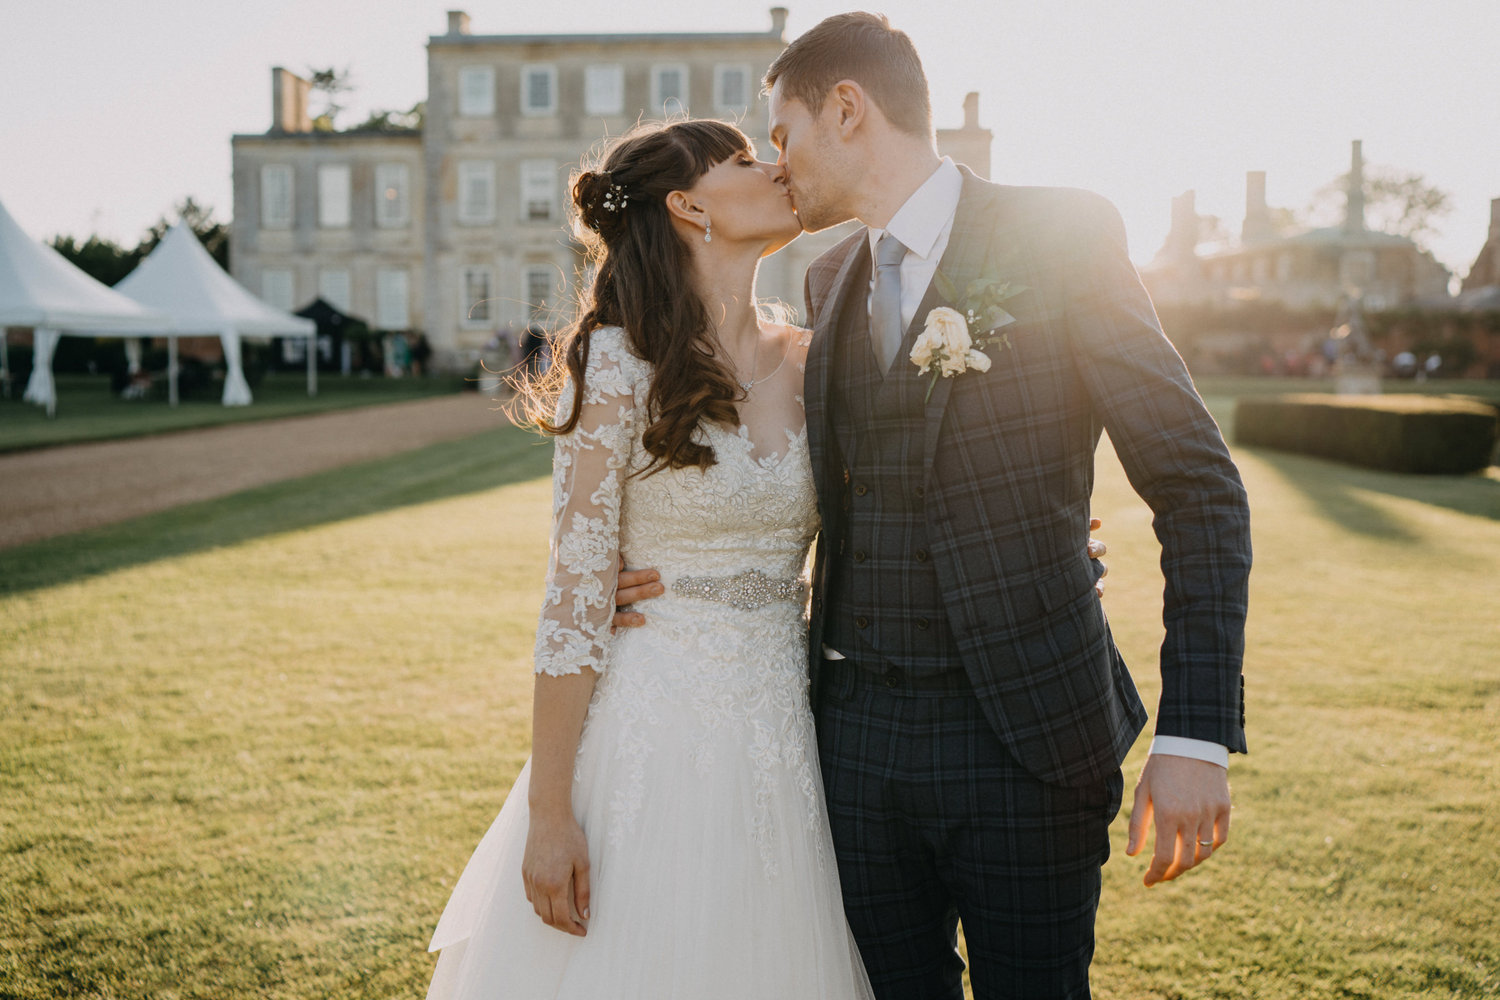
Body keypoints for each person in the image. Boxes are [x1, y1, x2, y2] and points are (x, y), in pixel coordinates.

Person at [609, 13, 1251, 999]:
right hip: (852, 750)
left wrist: (1194, 731)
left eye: (781, 134)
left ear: (848, 110)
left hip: (1027, 742)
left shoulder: (1062, 233)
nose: (777, 165)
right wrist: (659, 581)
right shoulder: (827, 280)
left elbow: (1196, 485)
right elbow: (812, 483)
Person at [424, 119, 875, 1000]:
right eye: (747, 160)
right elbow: (572, 601)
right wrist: (549, 815)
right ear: (687, 205)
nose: (778, 167)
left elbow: (885, 514)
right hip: (653, 735)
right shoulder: (620, 364)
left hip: (789, 737)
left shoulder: (814, 361)